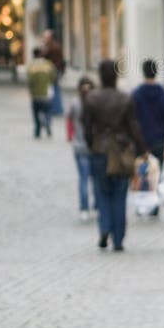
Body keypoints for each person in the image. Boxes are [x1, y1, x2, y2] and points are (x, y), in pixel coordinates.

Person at [82, 59, 147, 252]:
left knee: (102, 193)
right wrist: (142, 148)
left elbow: (86, 128)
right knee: (119, 194)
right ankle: (118, 237)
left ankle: (104, 228)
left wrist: (92, 145)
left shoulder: (92, 99)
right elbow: (133, 126)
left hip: (100, 150)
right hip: (120, 150)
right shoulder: (124, 99)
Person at [131, 59, 164, 168]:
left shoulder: (136, 95)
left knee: (141, 174)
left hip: (140, 140)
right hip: (159, 139)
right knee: (156, 174)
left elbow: (132, 118)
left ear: (143, 72)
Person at [66, 76, 96, 222]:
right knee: (96, 178)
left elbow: (69, 119)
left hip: (79, 146)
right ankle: (97, 205)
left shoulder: (75, 103)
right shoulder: (96, 103)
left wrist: (70, 135)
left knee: (83, 179)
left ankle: (84, 208)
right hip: (95, 146)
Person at [27, 47, 56, 138]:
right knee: (47, 111)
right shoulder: (48, 64)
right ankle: (47, 122)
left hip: (35, 95)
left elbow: (30, 81)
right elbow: (53, 77)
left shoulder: (31, 66)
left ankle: (37, 130)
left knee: (36, 113)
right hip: (46, 93)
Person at [41, 29, 65, 116]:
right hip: (55, 70)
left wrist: (43, 46)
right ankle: (57, 109)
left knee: (54, 89)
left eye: (45, 37)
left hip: (53, 70)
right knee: (55, 89)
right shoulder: (55, 46)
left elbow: (43, 56)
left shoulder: (51, 47)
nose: (44, 39)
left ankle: (56, 109)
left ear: (50, 38)